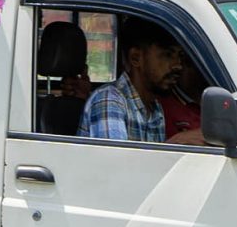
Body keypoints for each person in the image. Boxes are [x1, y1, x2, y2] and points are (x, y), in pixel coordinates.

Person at [79, 17, 203, 145]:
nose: (178, 65)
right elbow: (114, 157)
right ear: (136, 58)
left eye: (180, 56)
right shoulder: (110, 100)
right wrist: (176, 143)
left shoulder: (155, 108)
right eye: (167, 55)